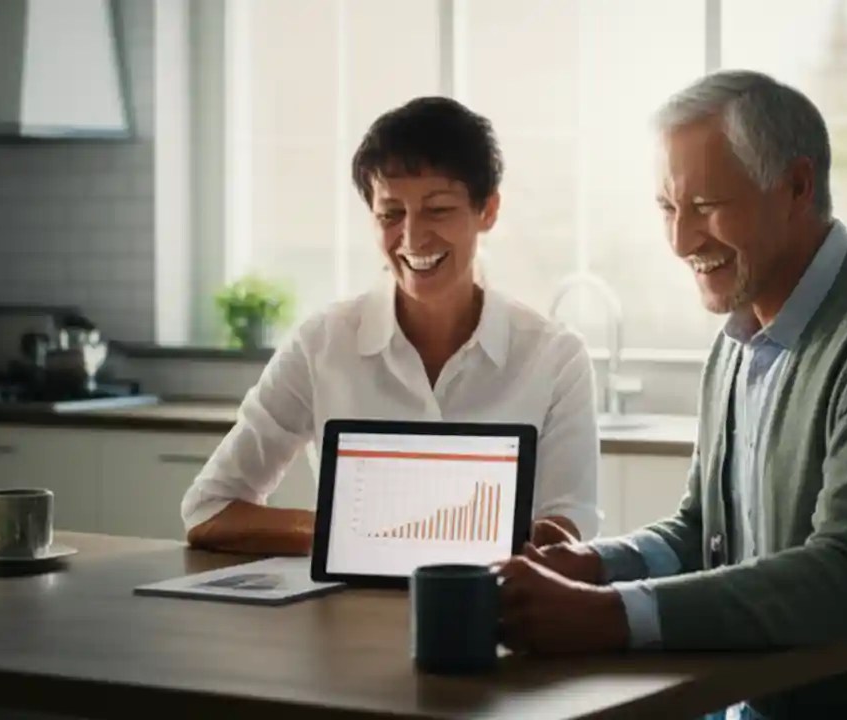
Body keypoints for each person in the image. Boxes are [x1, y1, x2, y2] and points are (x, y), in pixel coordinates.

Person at [496, 71, 847, 719]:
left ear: (796, 188)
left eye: (706, 206)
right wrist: (592, 565)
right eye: (668, 208)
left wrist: (608, 615)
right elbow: (702, 532)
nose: (680, 241)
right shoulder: (741, 337)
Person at [182, 97, 599, 555]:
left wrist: (447, 542)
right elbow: (209, 510)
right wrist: (348, 530)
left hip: (494, 614)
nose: (414, 236)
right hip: (345, 618)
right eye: (391, 214)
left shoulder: (556, 357)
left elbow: (570, 524)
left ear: (488, 210)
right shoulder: (321, 345)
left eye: (437, 210)